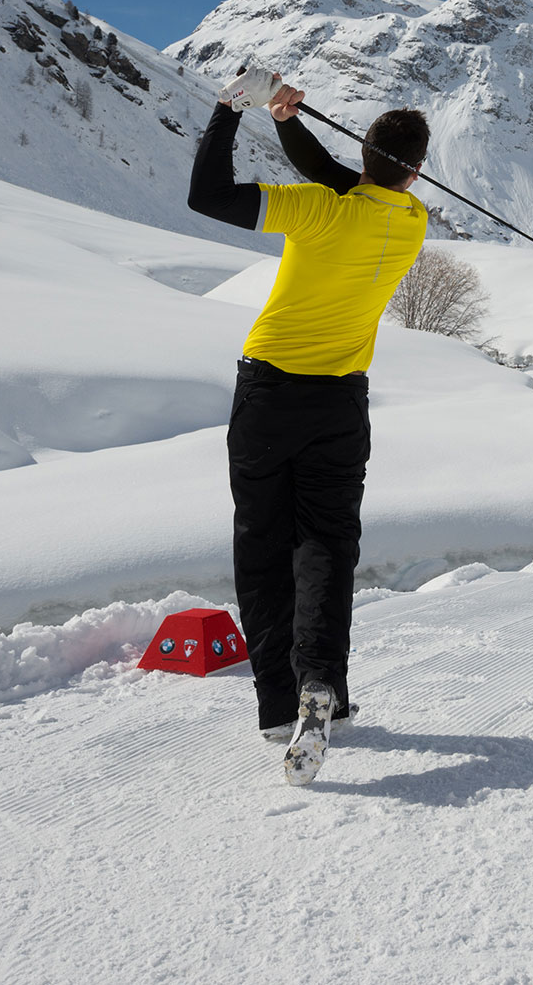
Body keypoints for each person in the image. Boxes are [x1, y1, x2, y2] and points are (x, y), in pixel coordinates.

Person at [187, 70, 430, 787]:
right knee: (326, 544)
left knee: (263, 541)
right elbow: (344, 175)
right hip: (340, 404)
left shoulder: (317, 208)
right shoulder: (408, 222)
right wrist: (287, 120)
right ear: (413, 174)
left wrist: (231, 111)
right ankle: (323, 683)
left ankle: (274, 705)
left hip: (268, 393)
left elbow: (208, 195)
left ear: (365, 158)